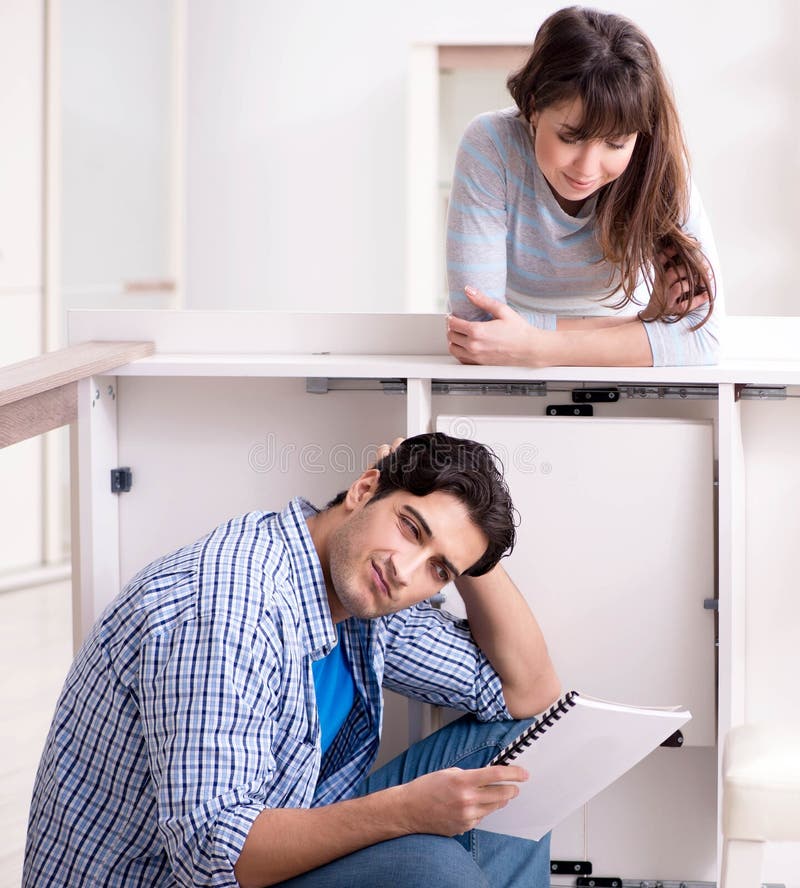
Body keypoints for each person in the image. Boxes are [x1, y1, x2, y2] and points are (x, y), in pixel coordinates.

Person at [24, 432, 560, 888]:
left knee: (514, 758)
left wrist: (469, 550)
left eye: (438, 570)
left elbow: (526, 690)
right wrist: (405, 811)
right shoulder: (230, 610)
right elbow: (215, 856)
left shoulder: (369, 593)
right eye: (411, 528)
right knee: (433, 867)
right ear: (365, 488)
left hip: (263, 840)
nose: (406, 571)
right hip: (191, 874)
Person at [445, 6, 724, 369]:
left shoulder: (658, 162)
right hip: (609, 361)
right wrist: (645, 329)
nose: (587, 169)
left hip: (633, 382)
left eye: (615, 144)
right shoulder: (491, 145)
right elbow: (479, 333)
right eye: (570, 137)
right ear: (533, 108)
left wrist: (536, 347)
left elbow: (704, 339)